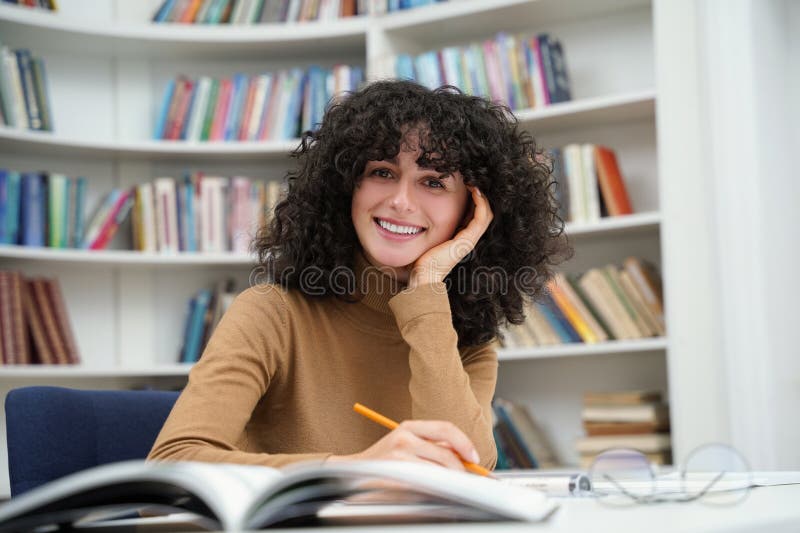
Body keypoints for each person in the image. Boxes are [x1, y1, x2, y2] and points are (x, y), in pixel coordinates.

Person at [148, 80, 568, 472]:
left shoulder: (464, 342)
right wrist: (356, 470)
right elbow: (171, 463)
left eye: (434, 182)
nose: (401, 201)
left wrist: (425, 293)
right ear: (346, 185)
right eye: (382, 172)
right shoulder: (272, 314)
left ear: (472, 213)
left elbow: (464, 469)